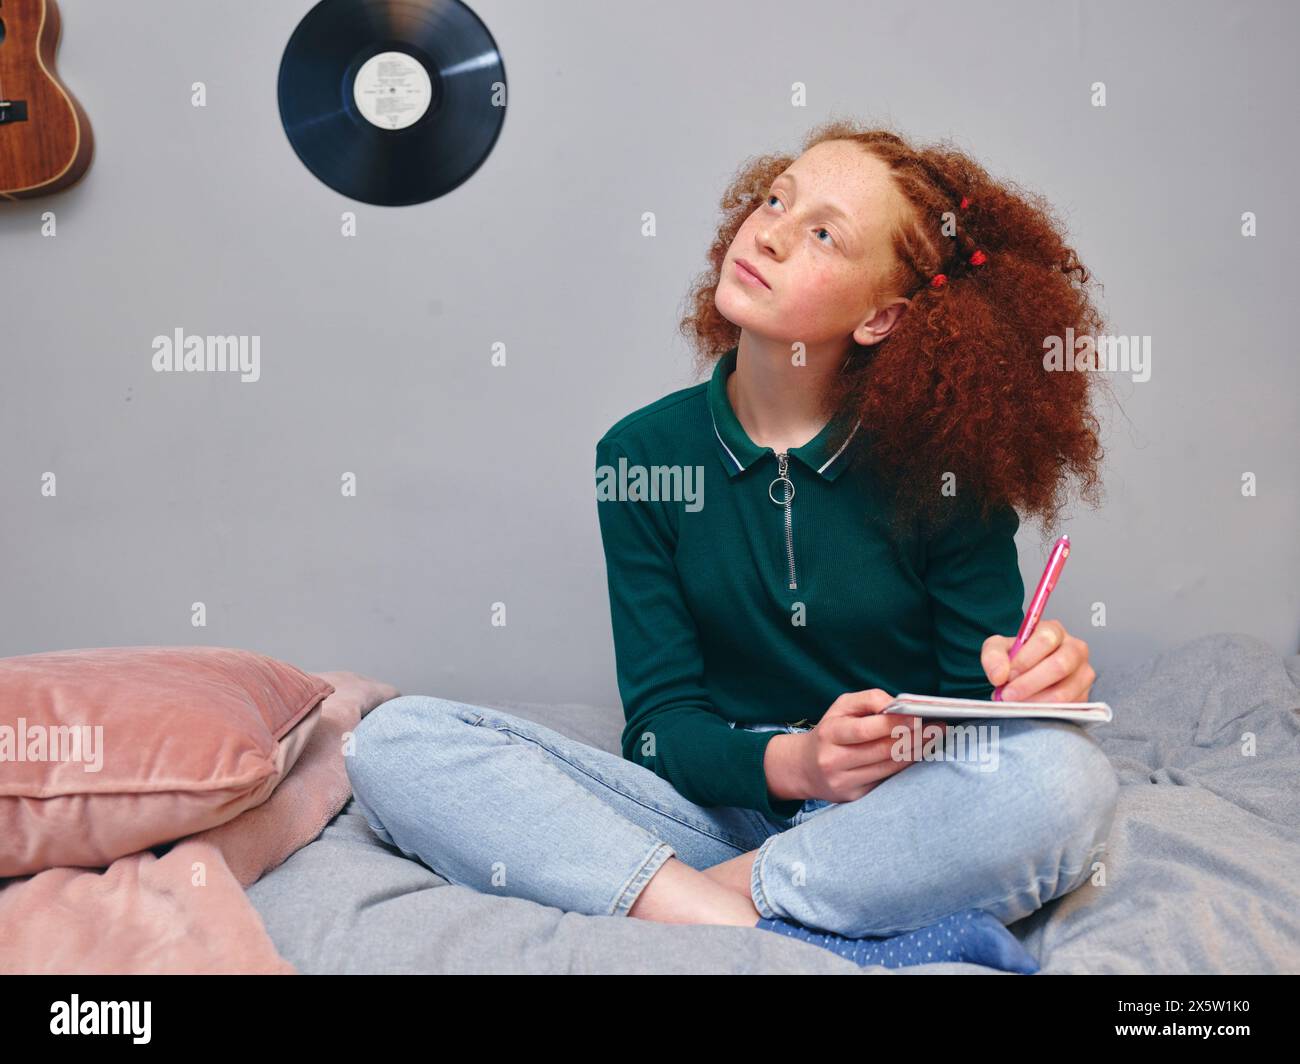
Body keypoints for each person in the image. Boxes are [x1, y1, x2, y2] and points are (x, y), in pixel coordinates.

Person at [346, 120, 1121, 972]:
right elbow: (660, 728)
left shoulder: (946, 473)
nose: (773, 232)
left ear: (882, 318)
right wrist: (799, 762)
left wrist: (1036, 690)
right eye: (777, 199)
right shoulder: (640, 457)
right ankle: (787, 937)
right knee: (393, 740)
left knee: (1063, 779)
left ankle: (693, 907)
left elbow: (978, 715)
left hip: (889, 819)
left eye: (823, 232)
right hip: (712, 814)